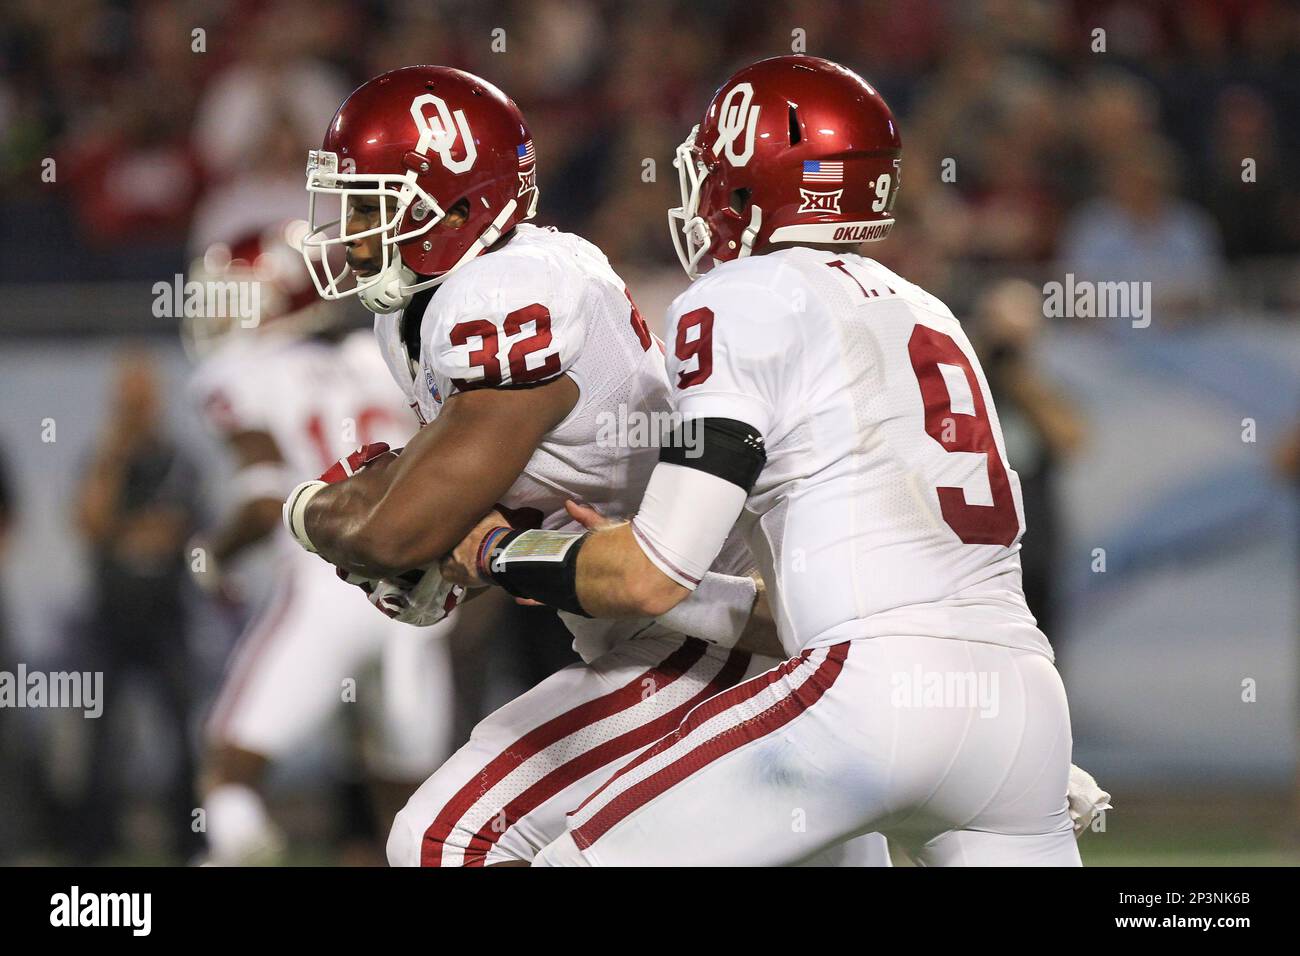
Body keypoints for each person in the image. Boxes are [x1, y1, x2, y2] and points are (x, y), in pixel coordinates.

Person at [444, 56, 1091, 866]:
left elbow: (652, 573)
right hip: (1023, 710)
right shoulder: (929, 312)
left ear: (752, 189)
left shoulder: (743, 296)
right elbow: (789, 609)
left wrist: (504, 553)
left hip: (866, 700)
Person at [282, 65, 890, 867]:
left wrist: (311, 510)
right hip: (687, 633)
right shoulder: (427, 311)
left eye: (373, 204)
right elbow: (428, 536)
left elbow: (396, 534)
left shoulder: (508, 290)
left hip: (703, 635)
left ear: (460, 208)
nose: (351, 232)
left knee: (446, 837)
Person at [186, 221, 455, 864]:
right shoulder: (372, 356)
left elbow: (260, 497)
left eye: (232, 298)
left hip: (329, 578)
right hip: (418, 582)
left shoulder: (242, 370)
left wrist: (211, 555)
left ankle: (240, 852)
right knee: (409, 797)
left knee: (229, 770)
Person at [73, 350, 203, 862]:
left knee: (181, 736)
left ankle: (189, 844)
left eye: (140, 398)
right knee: (101, 739)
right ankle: (91, 848)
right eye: (125, 399)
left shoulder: (178, 459)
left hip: (167, 616)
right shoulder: (104, 459)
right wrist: (112, 455)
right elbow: (89, 523)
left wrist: (122, 535)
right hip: (110, 619)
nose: (133, 408)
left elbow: (169, 533)